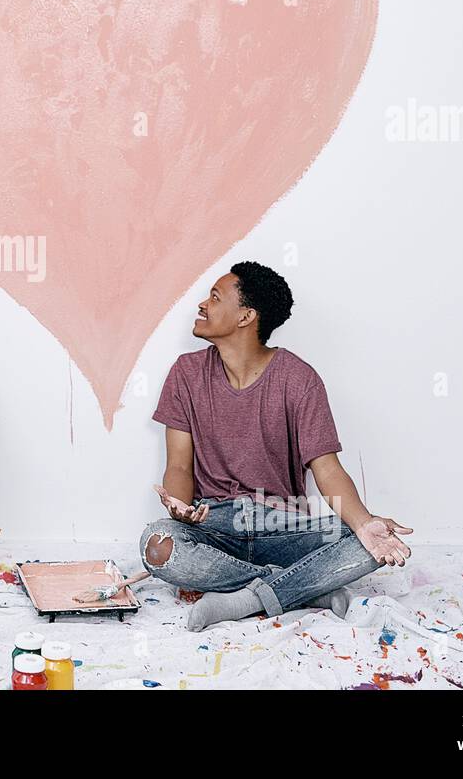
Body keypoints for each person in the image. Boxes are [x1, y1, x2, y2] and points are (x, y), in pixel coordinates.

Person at [139, 261, 412, 632]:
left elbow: (327, 469)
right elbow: (179, 467)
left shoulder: (299, 379)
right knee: (157, 545)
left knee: (371, 539)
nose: (202, 304)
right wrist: (181, 509)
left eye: (215, 297)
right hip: (217, 524)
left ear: (246, 316)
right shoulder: (185, 374)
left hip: (282, 522)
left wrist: (364, 524)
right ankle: (302, 588)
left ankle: (246, 598)